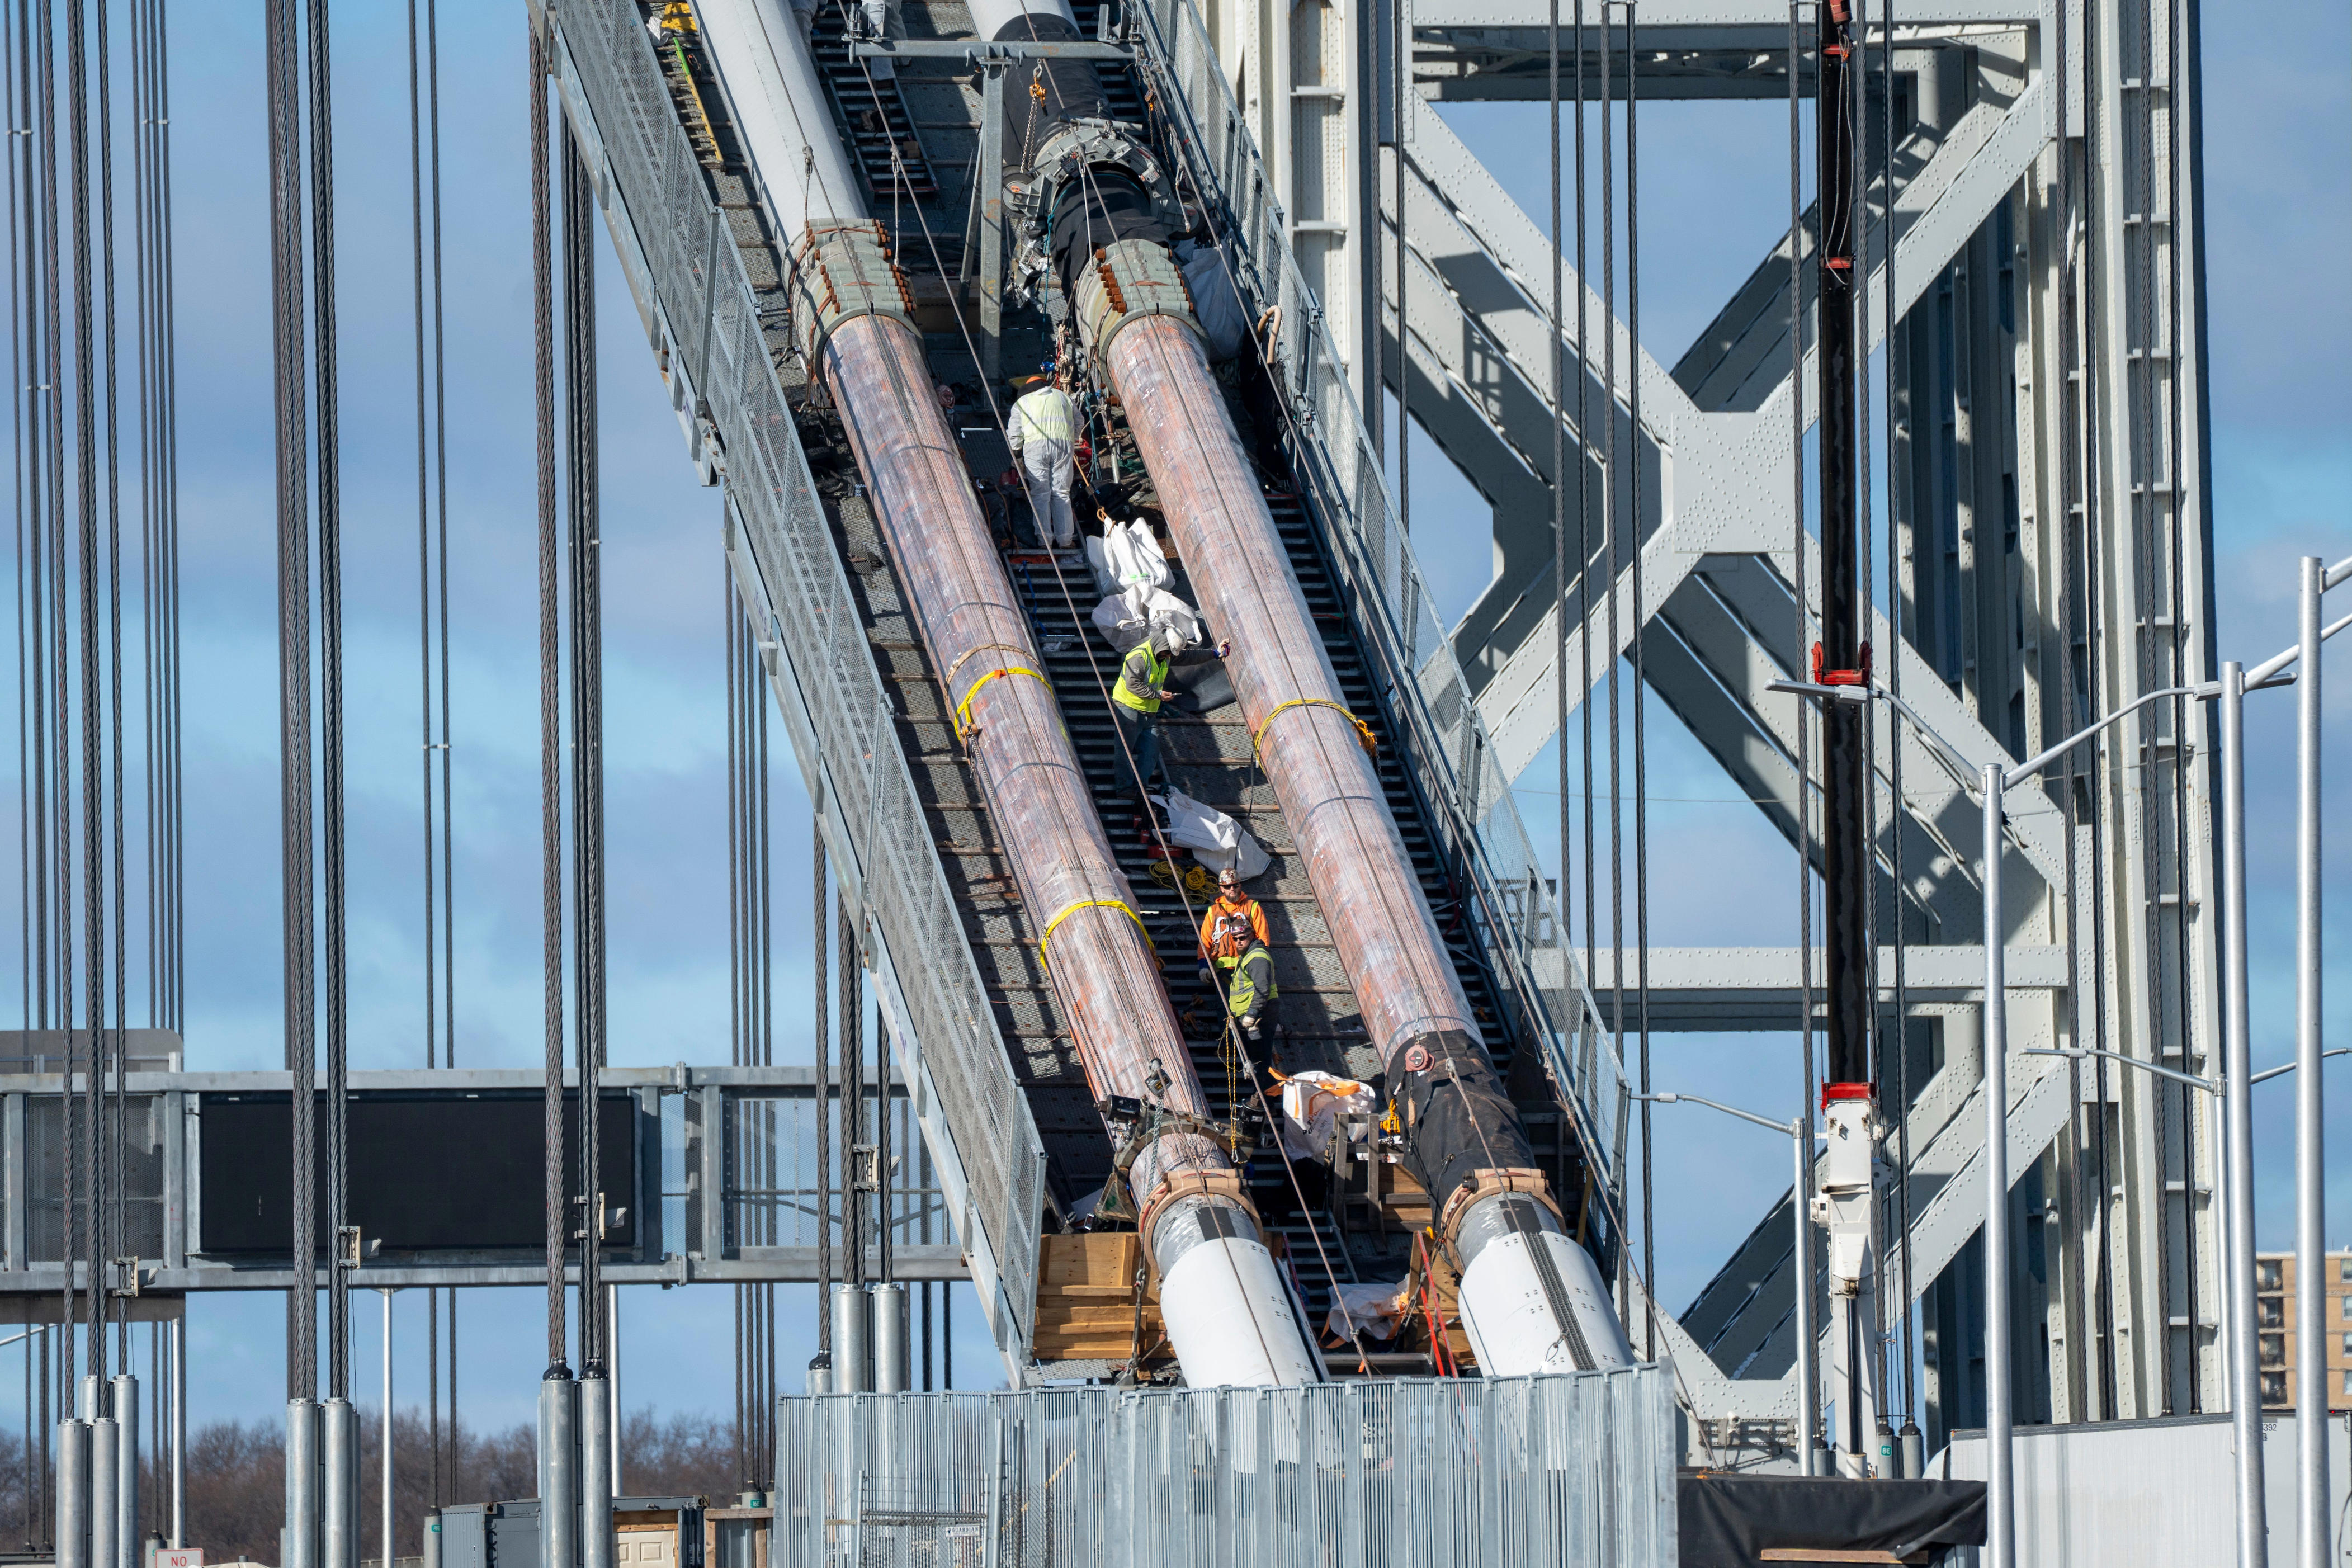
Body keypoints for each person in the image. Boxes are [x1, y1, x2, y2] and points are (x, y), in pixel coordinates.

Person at [1198, 868, 1277, 1065]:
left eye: (1235, 885)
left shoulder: (1252, 907)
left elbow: (1263, 938)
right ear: (1221, 889)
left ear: (1240, 885)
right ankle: (1230, 1046)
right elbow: (1205, 941)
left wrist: (1259, 962)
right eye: (1228, 887)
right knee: (1224, 1010)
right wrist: (1204, 965)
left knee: (1250, 1009)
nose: (1232, 889)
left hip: (1247, 969)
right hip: (1223, 971)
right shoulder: (1213, 912)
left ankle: (1252, 1051)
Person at [1005, 367, 1078, 548]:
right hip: (1063, 446)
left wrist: (1017, 454)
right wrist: (1071, 439)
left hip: (1035, 448)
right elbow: (1079, 421)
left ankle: (1044, 540)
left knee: (1040, 494)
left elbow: (1014, 433)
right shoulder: (1064, 398)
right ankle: (1065, 540)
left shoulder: (1022, 402)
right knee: (1062, 492)